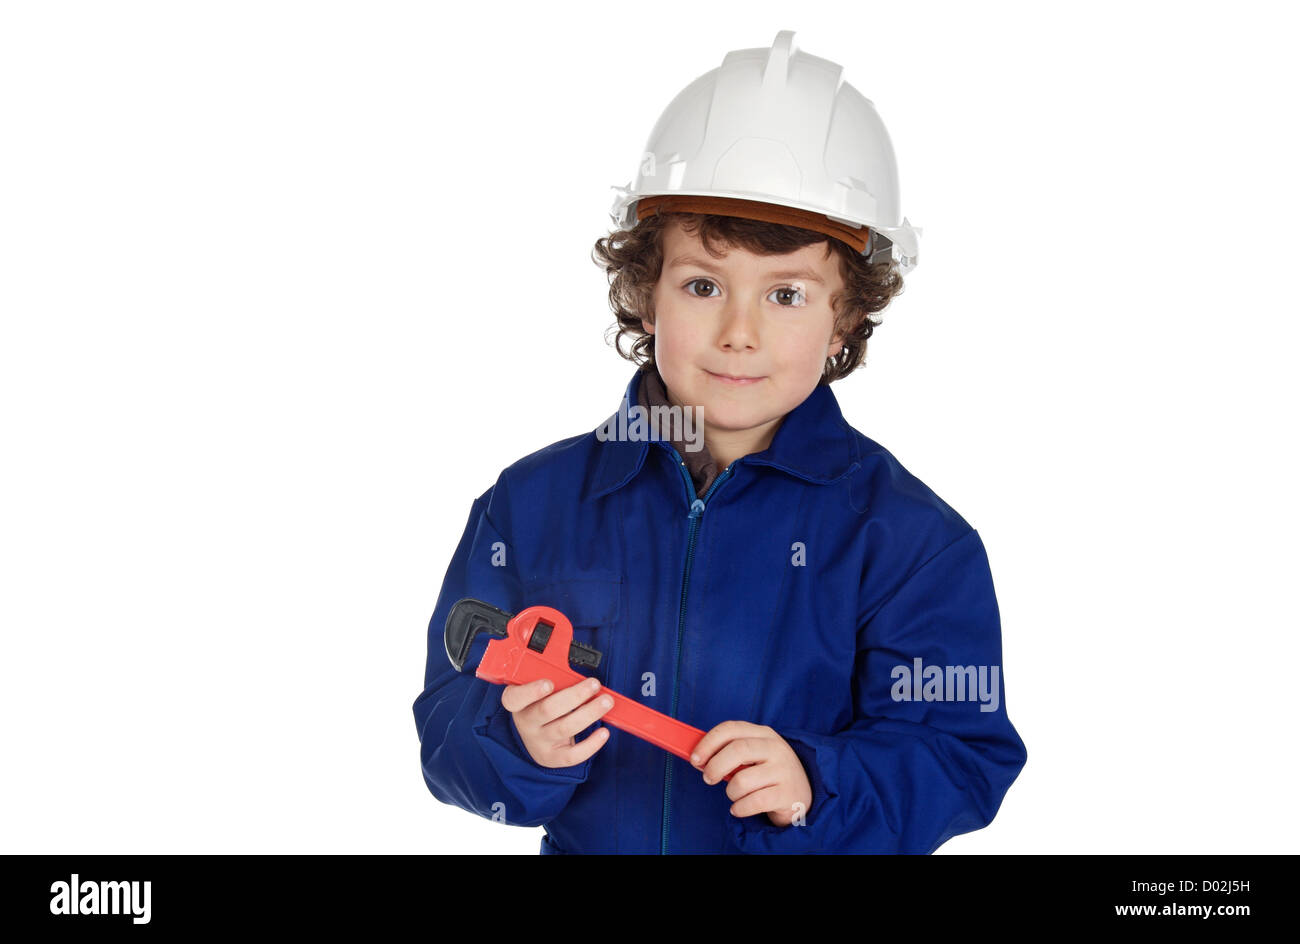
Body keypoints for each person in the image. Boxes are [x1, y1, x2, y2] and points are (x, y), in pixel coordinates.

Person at [412, 31, 1026, 854]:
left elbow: (960, 755)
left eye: (786, 295)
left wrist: (818, 785)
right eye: (703, 284)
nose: (740, 332)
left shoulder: (915, 544)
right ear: (646, 295)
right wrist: (516, 744)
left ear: (845, 317)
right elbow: (447, 725)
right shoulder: (530, 506)